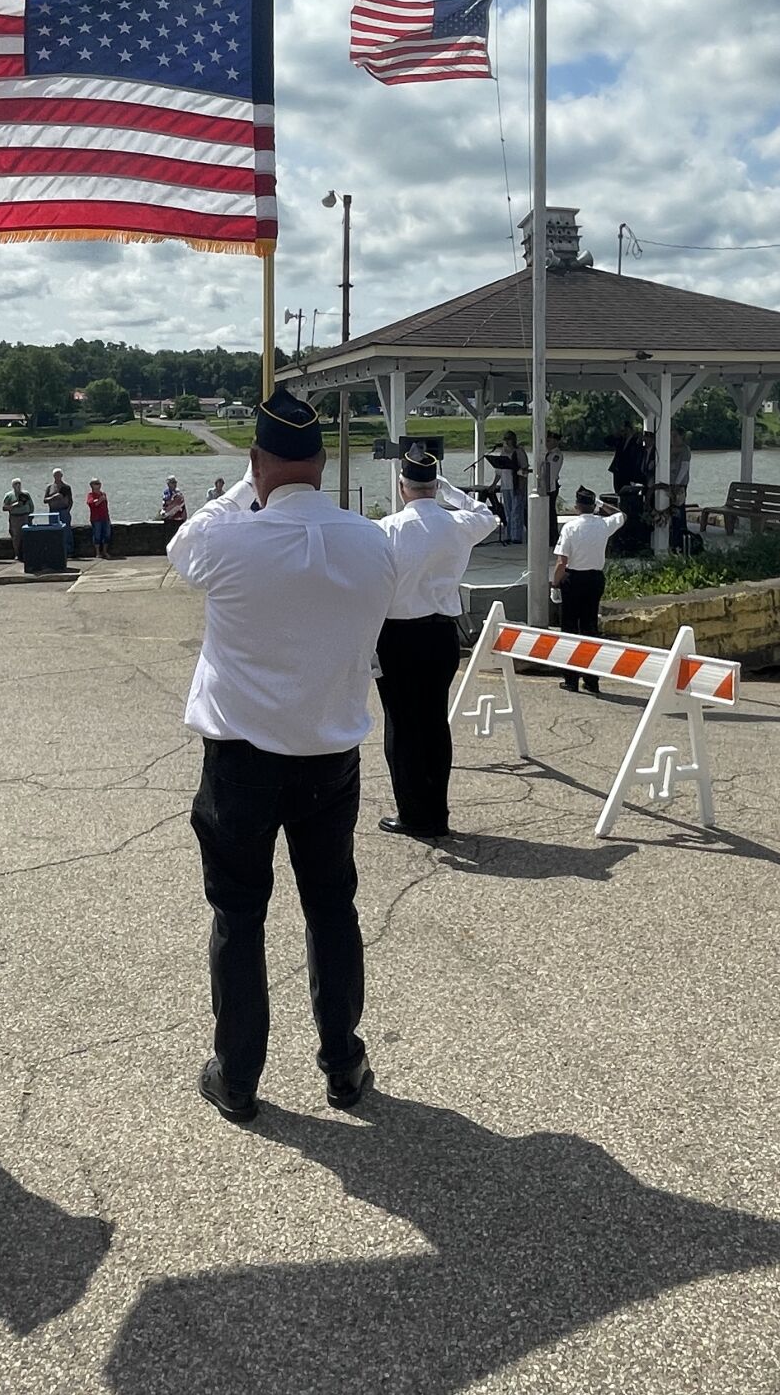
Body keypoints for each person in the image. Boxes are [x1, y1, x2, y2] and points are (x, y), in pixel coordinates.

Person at [167, 389, 396, 1126]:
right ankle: (343, 1062)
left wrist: (246, 483)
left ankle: (237, 1073)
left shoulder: (230, 541)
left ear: (259, 461)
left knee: (239, 913)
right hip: (329, 755)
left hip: (242, 759)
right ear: (324, 463)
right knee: (331, 906)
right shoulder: (374, 543)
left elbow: (185, 544)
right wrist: (273, 478)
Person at [375, 446, 498, 840]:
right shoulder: (458, 524)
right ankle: (438, 811)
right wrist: (449, 489)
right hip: (442, 633)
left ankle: (414, 812)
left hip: (398, 635)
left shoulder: (387, 528)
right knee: (433, 723)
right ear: (432, 486)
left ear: (401, 487)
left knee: (401, 726)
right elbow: (488, 515)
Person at [551, 486, 626, 696]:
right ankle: (592, 679)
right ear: (593, 507)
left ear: (576, 507)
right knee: (590, 628)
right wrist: (602, 505)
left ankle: (570, 678)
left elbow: (561, 562)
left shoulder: (570, 528)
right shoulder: (603, 524)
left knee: (569, 629)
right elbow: (622, 515)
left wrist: (555, 585)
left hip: (573, 579)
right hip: (594, 579)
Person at [486, 431, 528, 545]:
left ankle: (517, 536)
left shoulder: (519, 452)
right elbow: (499, 471)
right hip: (506, 485)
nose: (507, 441)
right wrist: (494, 484)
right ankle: (508, 535)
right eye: (505, 439)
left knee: (516, 512)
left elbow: (524, 469)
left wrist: (522, 486)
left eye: (509, 439)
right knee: (508, 511)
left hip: (516, 485)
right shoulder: (503, 452)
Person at [2, 478, 34, 561]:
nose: (18, 485)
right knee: (16, 536)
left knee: (26, 535)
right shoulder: (9, 495)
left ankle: (27, 553)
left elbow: (31, 505)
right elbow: (4, 508)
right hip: (15, 517)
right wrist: (14, 505)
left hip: (25, 516)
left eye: (19, 483)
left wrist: (30, 516)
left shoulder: (26, 494)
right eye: (16, 484)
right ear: (13, 485)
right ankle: (17, 554)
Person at [44, 468, 74, 556]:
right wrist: (54, 497)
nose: (58, 477)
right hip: (53, 512)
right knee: (54, 530)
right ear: (53, 476)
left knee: (67, 531)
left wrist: (68, 510)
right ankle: (55, 550)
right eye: (56, 475)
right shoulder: (49, 487)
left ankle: (69, 551)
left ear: (62, 476)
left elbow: (71, 500)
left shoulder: (67, 487)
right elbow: (45, 500)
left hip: (64, 511)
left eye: (59, 475)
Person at [544, 430, 564, 549]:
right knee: (547, 513)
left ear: (556, 441)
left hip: (551, 485)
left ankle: (553, 537)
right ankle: (549, 536)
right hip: (546, 484)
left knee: (551, 513)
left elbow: (551, 471)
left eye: (549, 441)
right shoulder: (548, 454)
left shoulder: (556, 455)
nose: (547, 443)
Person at [86, 477, 112, 559]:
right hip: (96, 519)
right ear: (92, 486)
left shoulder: (103, 494)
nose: (98, 485)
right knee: (97, 535)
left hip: (105, 518)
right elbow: (91, 504)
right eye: (96, 484)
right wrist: (99, 500)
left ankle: (105, 551)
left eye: (99, 483)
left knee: (107, 534)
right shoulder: (90, 495)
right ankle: (97, 553)